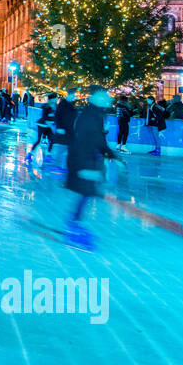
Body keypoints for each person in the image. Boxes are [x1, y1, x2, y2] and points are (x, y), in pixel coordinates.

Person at [64, 85, 124, 250]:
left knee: (88, 192)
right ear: (96, 99)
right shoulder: (90, 116)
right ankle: (73, 225)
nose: (109, 99)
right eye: (105, 96)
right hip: (82, 160)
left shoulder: (95, 113)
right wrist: (84, 168)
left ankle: (74, 222)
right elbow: (87, 141)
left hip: (87, 159)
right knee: (87, 191)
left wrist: (113, 157)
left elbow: (99, 141)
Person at [25, 95, 55, 164]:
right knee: (38, 140)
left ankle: (48, 154)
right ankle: (30, 154)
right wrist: (52, 126)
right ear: (51, 99)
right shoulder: (46, 107)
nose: (55, 100)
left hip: (48, 126)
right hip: (42, 125)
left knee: (52, 139)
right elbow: (45, 118)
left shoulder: (55, 107)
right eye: (54, 99)